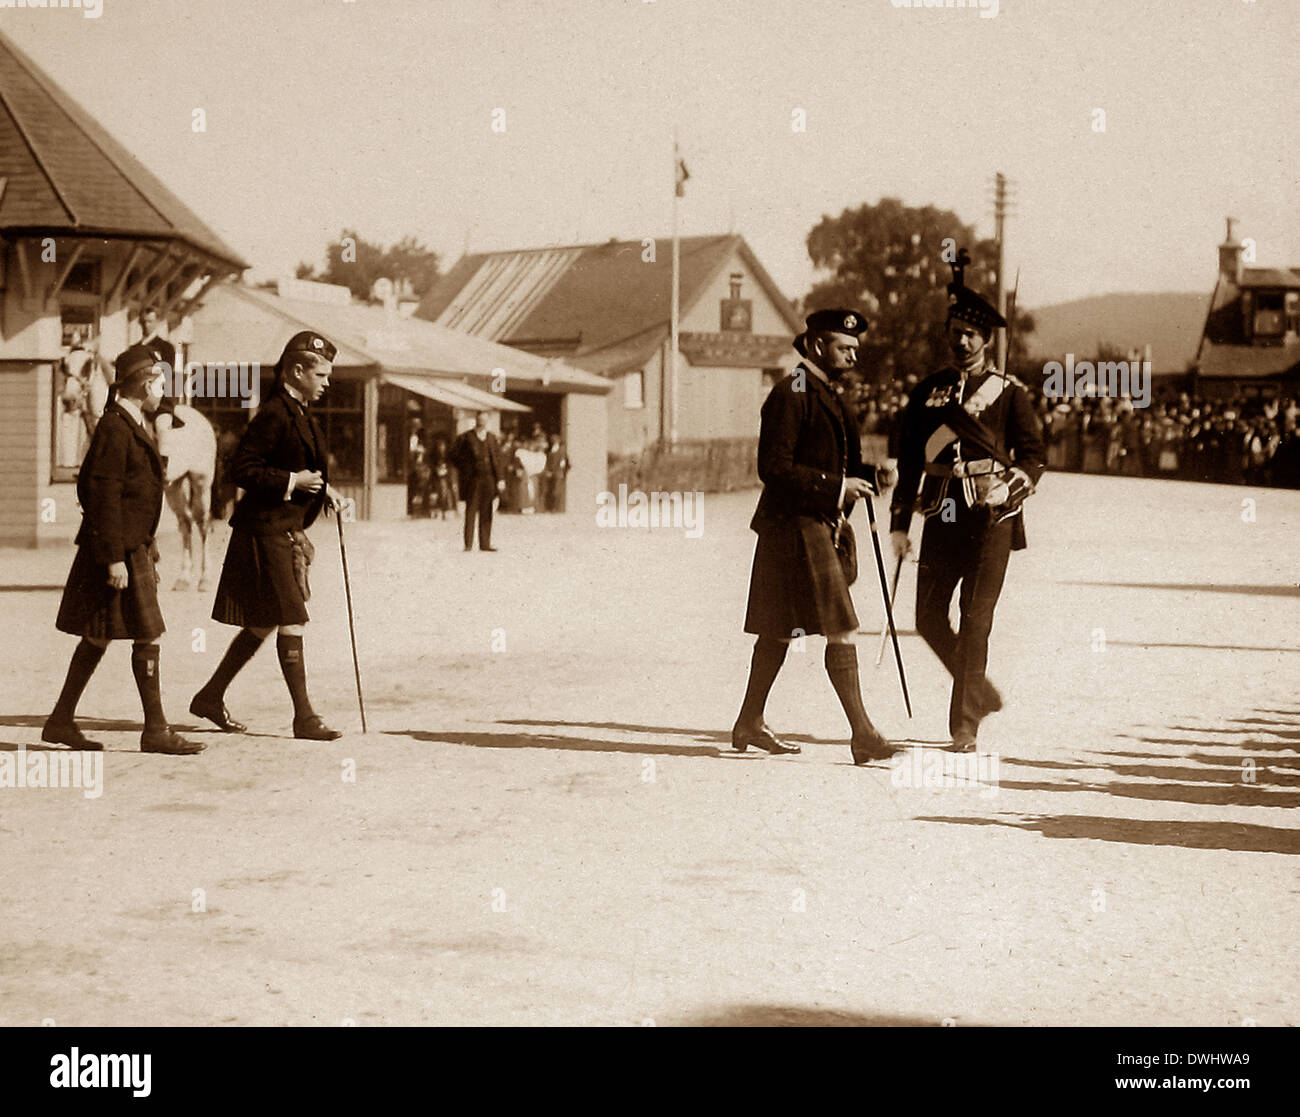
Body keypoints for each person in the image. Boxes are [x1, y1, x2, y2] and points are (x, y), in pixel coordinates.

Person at [732, 309, 895, 764]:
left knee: (779, 630)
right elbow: (775, 468)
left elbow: (837, 462)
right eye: (846, 347)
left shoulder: (827, 393)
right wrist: (837, 488)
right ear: (819, 345)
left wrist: (872, 474)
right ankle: (863, 734)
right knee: (839, 627)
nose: (854, 355)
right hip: (795, 527)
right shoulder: (792, 392)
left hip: (809, 525)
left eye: (857, 348)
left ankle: (749, 720)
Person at [889, 283, 1045, 753]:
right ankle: (978, 691)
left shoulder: (1009, 393)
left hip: (992, 517)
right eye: (956, 333)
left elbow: (1034, 456)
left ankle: (964, 725)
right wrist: (900, 522)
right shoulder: (927, 392)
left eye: (972, 335)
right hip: (943, 514)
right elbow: (911, 462)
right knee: (927, 617)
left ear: (987, 340)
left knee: (975, 619)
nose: (963, 342)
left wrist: (1009, 484)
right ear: (947, 334)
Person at [43, 345, 203, 755]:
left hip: (131, 546)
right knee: (146, 633)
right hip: (117, 550)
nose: (164, 391)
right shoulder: (116, 428)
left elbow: (124, 494)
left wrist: (146, 546)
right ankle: (155, 731)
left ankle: (61, 721)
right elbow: (101, 493)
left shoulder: (129, 421)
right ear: (147, 384)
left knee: (98, 635)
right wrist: (115, 555)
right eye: (161, 383)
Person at [190, 331, 344, 741]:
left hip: (284, 529)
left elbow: (305, 468)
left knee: (262, 623)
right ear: (297, 370)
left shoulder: (300, 411)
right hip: (265, 531)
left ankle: (209, 695)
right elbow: (241, 469)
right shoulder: (275, 412)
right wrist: (293, 481)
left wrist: (325, 490)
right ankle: (305, 718)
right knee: (291, 619)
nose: (327, 382)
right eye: (321, 373)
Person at [453, 411, 507, 551]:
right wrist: (465, 470)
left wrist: (500, 479)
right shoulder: (466, 437)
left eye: (484, 419)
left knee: (487, 511)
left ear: (487, 421)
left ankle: (485, 544)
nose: (482, 422)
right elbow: (454, 457)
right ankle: (468, 544)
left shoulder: (491, 438)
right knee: (471, 511)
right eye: (480, 419)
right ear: (476, 420)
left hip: (489, 478)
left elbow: (498, 459)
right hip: (473, 480)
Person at [135, 305, 184, 432]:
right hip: (137, 395)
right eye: (143, 321)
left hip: (159, 397)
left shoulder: (165, 347)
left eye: (150, 321)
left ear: (156, 322)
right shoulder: (134, 349)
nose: (146, 325)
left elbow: (167, 373)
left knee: (162, 426)